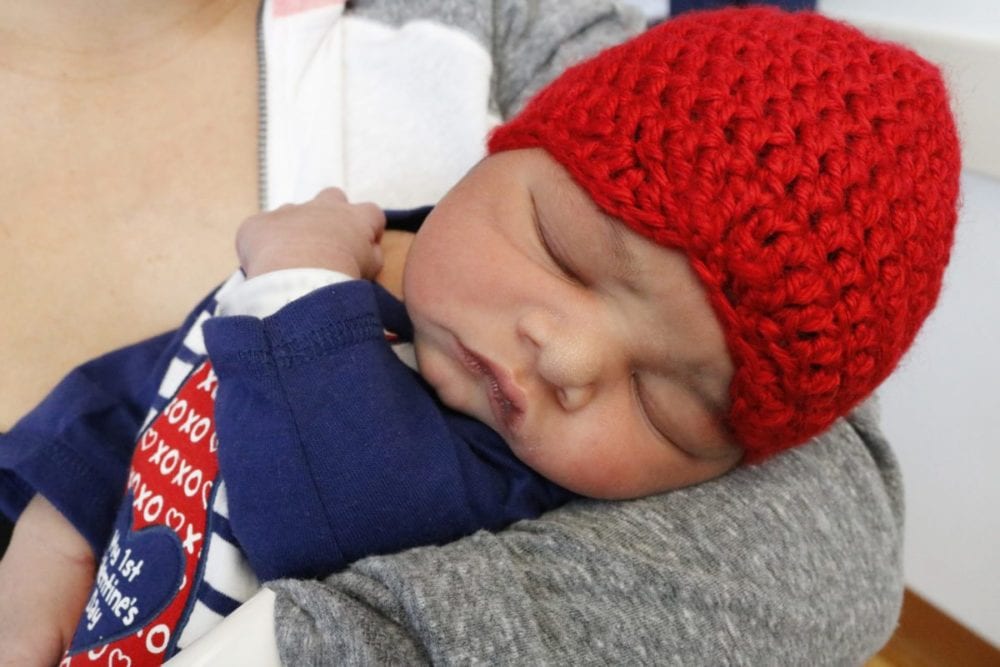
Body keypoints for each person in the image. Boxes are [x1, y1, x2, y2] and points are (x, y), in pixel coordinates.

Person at [7, 6, 960, 665]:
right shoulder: (380, 277)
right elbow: (147, 385)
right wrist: (57, 527)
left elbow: (320, 512)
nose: (573, 359)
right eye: (565, 249)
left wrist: (298, 281)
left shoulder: (497, 476)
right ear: (498, 151)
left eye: (666, 405)